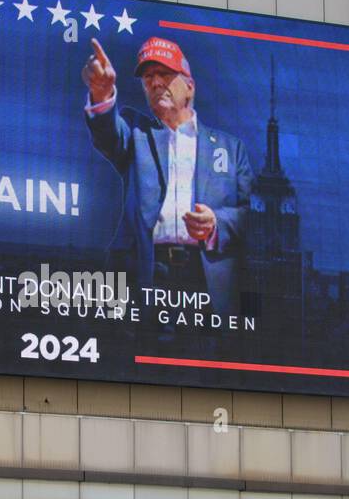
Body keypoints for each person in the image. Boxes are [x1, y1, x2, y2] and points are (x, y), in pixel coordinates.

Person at [82, 36, 252, 319]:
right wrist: (101, 95)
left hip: (207, 279)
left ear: (190, 86)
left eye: (165, 74)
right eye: (148, 77)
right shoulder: (137, 134)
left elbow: (252, 217)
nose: (156, 82)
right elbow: (108, 133)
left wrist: (216, 224)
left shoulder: (230, 149)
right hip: (145, 275)